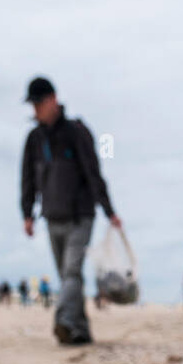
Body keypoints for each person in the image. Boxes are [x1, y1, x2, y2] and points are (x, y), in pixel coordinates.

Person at [20, 76, 121, 346]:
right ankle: (80, 331)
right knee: (68, 277)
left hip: (80, 217)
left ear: (53, 99)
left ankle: (63, 319)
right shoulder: (34, 139)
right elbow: (27, 179)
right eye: (32, 105)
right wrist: (27, 214)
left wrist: (109, 211)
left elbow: (93, 172)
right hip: (52, 217)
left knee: (72, 272)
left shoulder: (76, 131)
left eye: (39, 103)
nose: (35, 109)